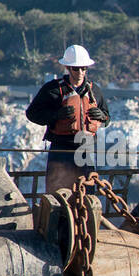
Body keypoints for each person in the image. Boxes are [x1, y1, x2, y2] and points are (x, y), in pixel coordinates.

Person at [25, 44, 110, 193]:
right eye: (76, 68)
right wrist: (55, 116)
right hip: (61, 148)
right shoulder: (52, 89)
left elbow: (107, 118)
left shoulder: (94, 90)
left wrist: (102, 117)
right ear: (68, 68)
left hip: (85, 149)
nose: (81, 72)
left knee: (87, 194)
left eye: (84, 68)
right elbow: (32, 113)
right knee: (58, 193)